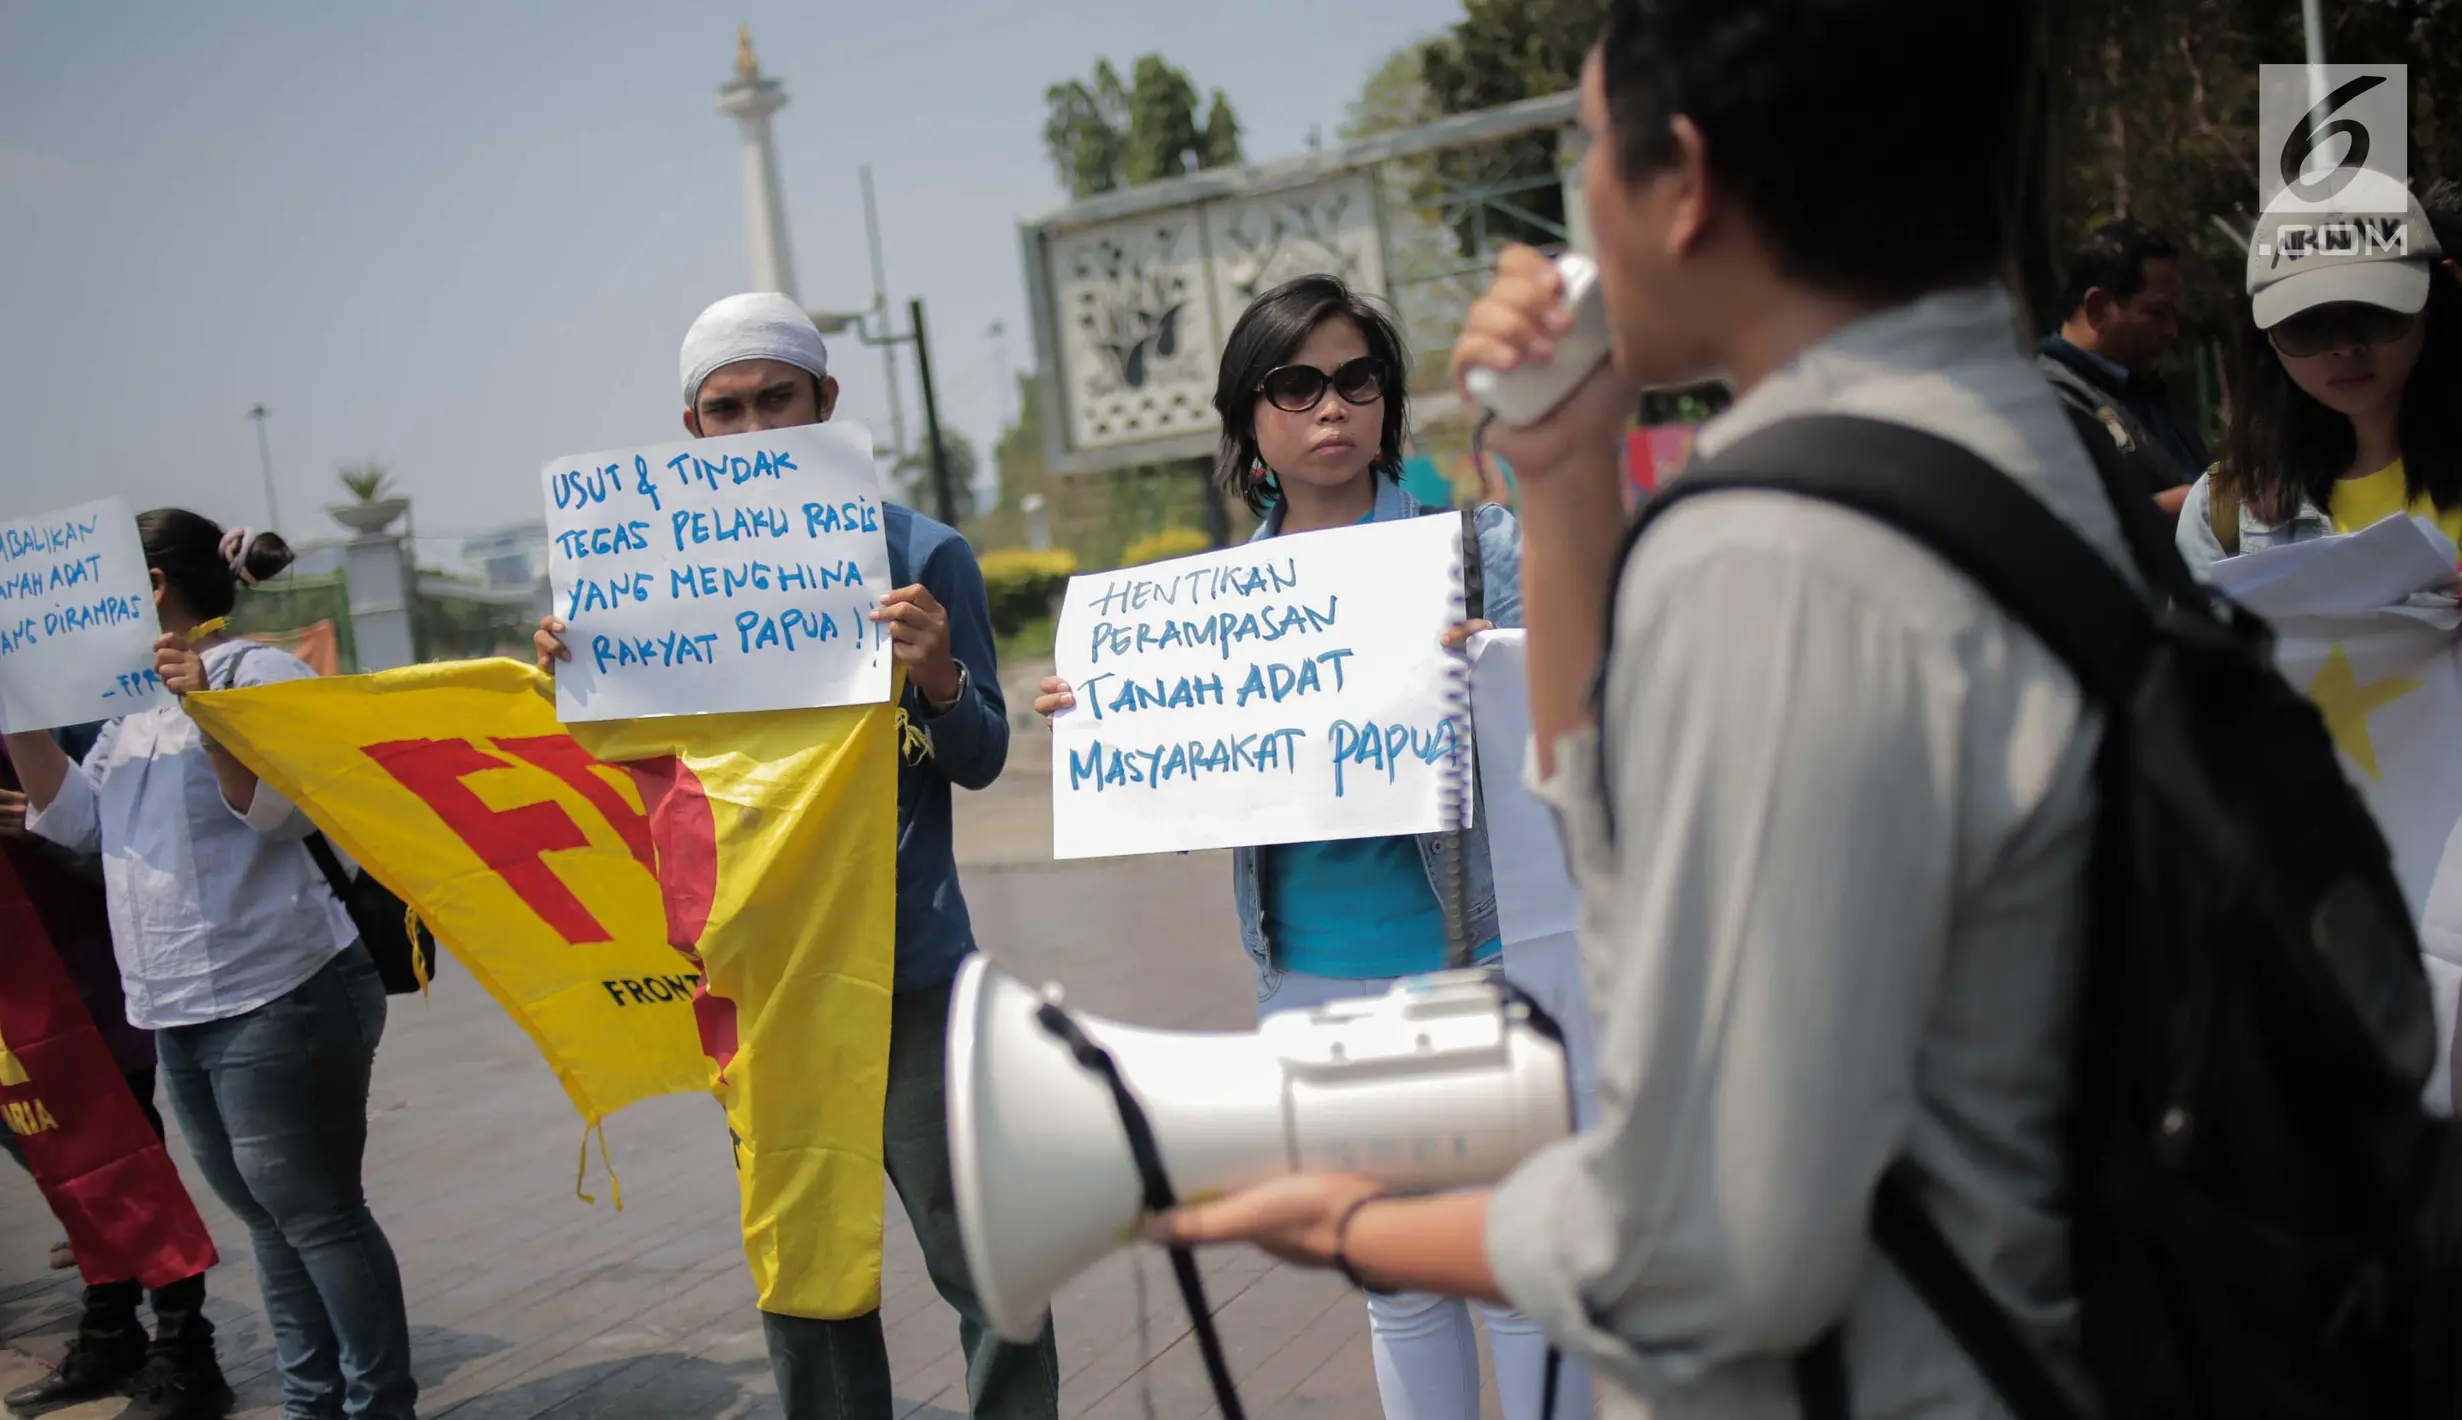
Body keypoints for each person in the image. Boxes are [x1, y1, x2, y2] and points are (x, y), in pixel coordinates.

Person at [1139, 2, 2130, 1417]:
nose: (1572, 216)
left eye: (1591, 146)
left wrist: (1345, 1222)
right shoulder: (2031, 451)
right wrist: (1562, 474)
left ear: (1687, 186)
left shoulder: (1781, 567)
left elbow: (1711, 1238)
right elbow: (1624, 852)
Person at [1033, 275, 1584, 1420]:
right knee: (1390, 1277)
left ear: (1385, 404)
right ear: (1250, 424)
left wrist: (1495, 661)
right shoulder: (1205, 604)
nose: (1329, 405)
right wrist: (1107, 720)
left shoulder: (1476, 549)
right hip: (1307, 975)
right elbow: (1194, 774)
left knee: (1513, 1270)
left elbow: (1584, 701)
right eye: (1295, 384)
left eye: (1354, 379)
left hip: (1475, 956)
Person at [534, 291, 1054, 1420]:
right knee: (804, 1270)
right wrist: (573, 681)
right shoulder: (636, 583)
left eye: (779, 398)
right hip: (758, 977)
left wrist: (937, 676)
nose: (756, 426)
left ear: (828, 402)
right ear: (692, 429)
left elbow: (978, 756)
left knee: (987, 1257)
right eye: (727, 408)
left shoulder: (924, 555)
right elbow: (630, 780)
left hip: (909, 971)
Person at [4, 512, 416, 1420]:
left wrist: (206, 705)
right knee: (268, 1224)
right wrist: (20, 708)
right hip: (178, 1006)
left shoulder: (256, 671)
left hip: (280, 991)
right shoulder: (125, 704)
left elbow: (276, 813)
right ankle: (314, 1401)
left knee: (316, 1215)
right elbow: (73, 822)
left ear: (153, 586)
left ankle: (378, 1404)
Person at [3, 728, 231, 1420]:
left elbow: (121, 831)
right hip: (16, 987)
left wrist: (45, 823)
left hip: (80, 969)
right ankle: (111, 1328)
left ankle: (186, 1349)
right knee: (59, 1161)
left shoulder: (51, 680)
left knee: (125, 1158)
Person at [2174, 187, 2456, 576]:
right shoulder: (2221, 511)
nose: (2345, 347)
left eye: (2374, 313)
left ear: (2430, 307)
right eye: (2306, 325)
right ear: (2266, 337)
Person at [2038, 218, 2209, 512]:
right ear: (2098, 308)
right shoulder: (2049, 402)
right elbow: (2074, 524)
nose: (2171, 331)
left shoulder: (2148, 389)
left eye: (2173, 316)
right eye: (2156, 313)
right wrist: (2190, 504)